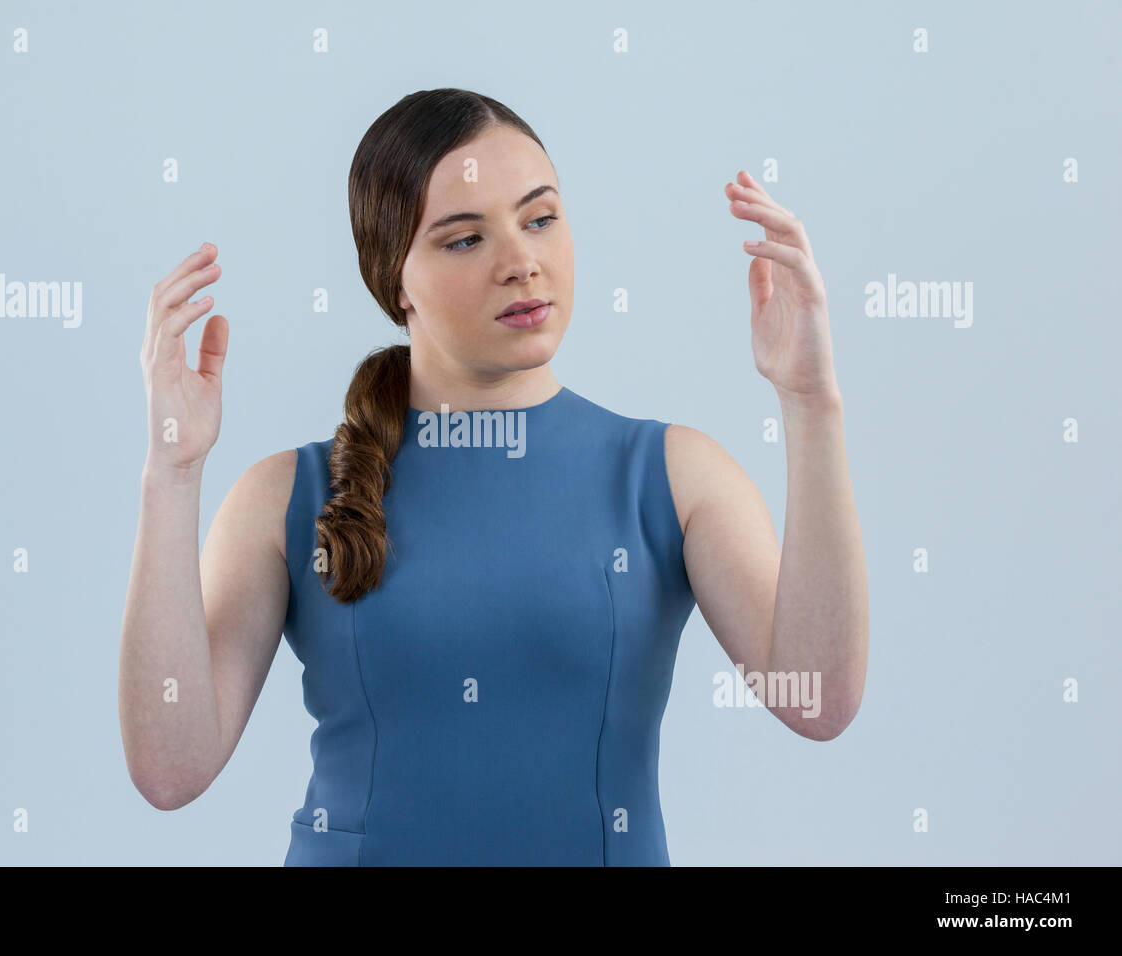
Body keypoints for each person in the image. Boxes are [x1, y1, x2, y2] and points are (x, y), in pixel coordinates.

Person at [119, 88, 868, 866]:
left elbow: (816, 701)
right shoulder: (287, 497)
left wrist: (810, 403)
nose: (522, 262)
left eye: (539, 219)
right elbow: (171, 770)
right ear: (395, 278)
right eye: (464, 239)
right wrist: (171, 473)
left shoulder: (673, 476)